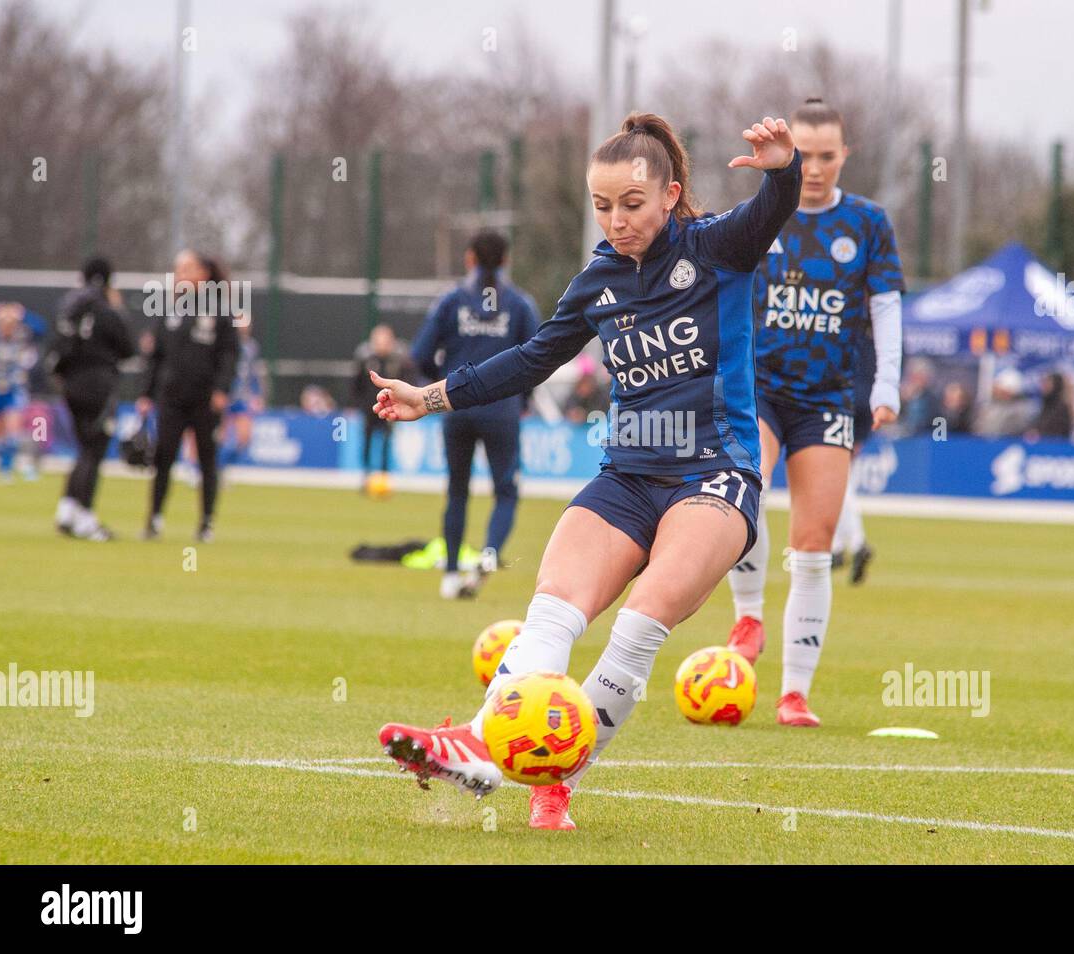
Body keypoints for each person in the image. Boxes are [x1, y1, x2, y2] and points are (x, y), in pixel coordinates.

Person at [369, 112, 801, 829]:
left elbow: (772, 208)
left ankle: (554, 776)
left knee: (636, 625)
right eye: (603, 206)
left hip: (715, 476)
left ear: (670, 194)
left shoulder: (719, 247)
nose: (617, 220)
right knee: (553, 608)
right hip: (627, 476)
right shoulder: (598, 278)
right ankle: (480, 747)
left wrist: (783, 168)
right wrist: (434, 396)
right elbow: (533, 358)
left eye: (632, 204)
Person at [722, 99, 903, 725]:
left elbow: (886, 307)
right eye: (806, 155)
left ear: (844, 155)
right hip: (761, 389)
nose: (817, 168)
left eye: (828, 156)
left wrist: (888, 385)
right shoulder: (768, 212)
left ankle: (793, 692)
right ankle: (748, 616)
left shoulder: (868, 222)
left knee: (814, 547)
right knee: (743, 492)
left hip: (828, 399)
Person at [410, 231, 540, 599]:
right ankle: (488, 554)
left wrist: (438, 389)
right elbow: (537, 358)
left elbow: (419, 354)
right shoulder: (519, 303)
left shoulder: (451, 300)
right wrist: (523, 399)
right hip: (502, 410)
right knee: (506, 492)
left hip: (456, 405)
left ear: (469, 258)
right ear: (506, 260)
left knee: (457, 491)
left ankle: (450, 573)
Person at [137, 250, 240, 542]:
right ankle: (154, 519)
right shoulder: (168, 310)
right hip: (170, 398)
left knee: (207, 460)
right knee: (164, 458)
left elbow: (230, 355)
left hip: (206, 399)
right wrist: (146, 394)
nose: (181, 275)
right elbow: (154, 356)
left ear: (204, 274)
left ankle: (206, 523)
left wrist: (222, 389)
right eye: (178, 269)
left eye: (187, 269)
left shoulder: (220, 309)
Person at [45, 258, 136, 540]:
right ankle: (85, 517)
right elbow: (129, 349)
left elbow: (56, 351)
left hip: (71, 385)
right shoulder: (106, 311)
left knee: (83, 448)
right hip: (99, 385)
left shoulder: (69, 308)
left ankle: (67, 510)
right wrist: (118, 309)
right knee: (94, 451)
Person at [351, 324, 413, 487]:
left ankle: (384, 476)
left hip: (390, 409)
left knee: (386, 441)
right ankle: (366, 475)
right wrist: (357, 404)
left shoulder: (398, 360)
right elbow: (356, 384)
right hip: (369, 408)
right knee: (367, 440)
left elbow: (408, 381)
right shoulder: (365, 359)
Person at [0, 302, 38, 482]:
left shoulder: (22, 336)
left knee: (14, 429)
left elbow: (41, 328)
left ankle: (21, 465)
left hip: (14, 389)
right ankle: (4, 467)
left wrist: (22, 313)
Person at [220, 313, 268, 466]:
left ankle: (223, 466)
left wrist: (258, 394)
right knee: (220, 437)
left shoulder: (251, 347)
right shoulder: (224, 344)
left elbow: (253, 374)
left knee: (244, 437)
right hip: (226, 396)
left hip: (242, 398)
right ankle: (213, 469)